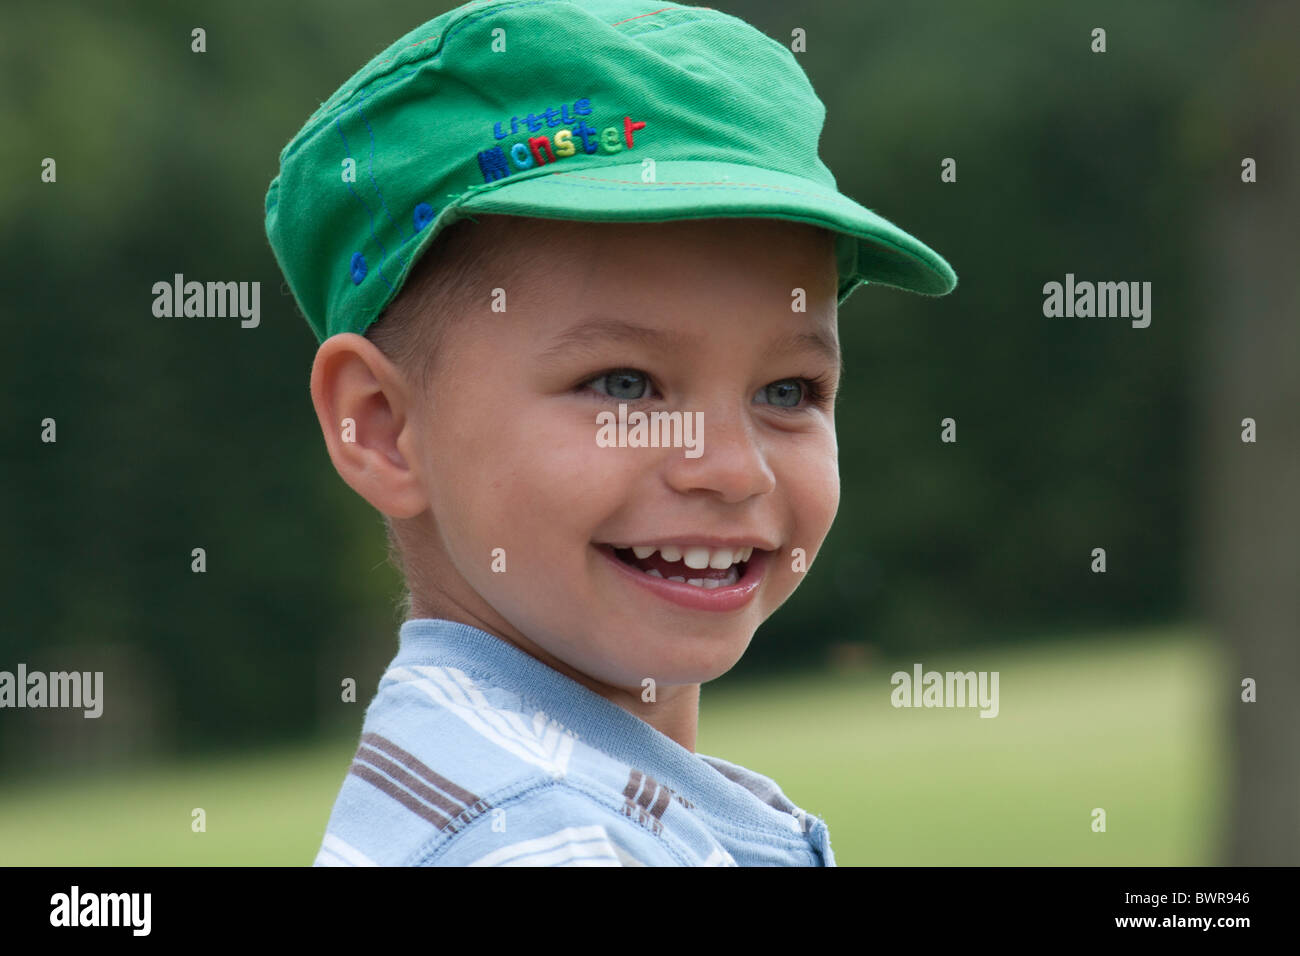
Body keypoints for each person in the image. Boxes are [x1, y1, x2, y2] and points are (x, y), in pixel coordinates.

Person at [264, 0, 957, 866]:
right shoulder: (545, 840)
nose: (734, 469)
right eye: (625, 386)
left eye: (788, 389)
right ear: (384, 426)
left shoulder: (536, 800)